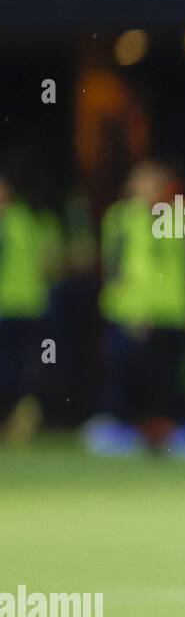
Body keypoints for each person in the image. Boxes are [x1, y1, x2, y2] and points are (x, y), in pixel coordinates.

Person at [88, 160, 185, 456]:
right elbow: (114, 269)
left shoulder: (182, 215)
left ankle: (170, 433)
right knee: (127, 373)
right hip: (130, 312)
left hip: (174, 311)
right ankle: (118, 432)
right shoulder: (121, 218)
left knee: (169, 378)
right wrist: (134, 311)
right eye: (144, 183)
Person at [0, 175, 60, 444]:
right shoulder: (30, 221)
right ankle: (21, 414)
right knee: (23, 365)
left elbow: (51, 263)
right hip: (32, 305)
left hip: (18, 307)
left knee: (16, 366)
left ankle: (19, 415)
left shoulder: (23, 222)